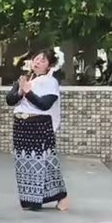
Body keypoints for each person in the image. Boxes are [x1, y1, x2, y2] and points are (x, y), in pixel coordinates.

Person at [6, 49, 70, 211]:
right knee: (24, 162)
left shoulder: (50, 82)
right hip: (22, 125)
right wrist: (21, 90)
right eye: (36, 59)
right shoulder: (25, 78)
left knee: (46, 162)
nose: (37, 62)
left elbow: (44, 104)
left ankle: (60, 196)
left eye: (42, 60)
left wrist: (28, 92)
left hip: (39, 125)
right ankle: (30, 198)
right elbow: (10, 100)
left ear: (50, 64)